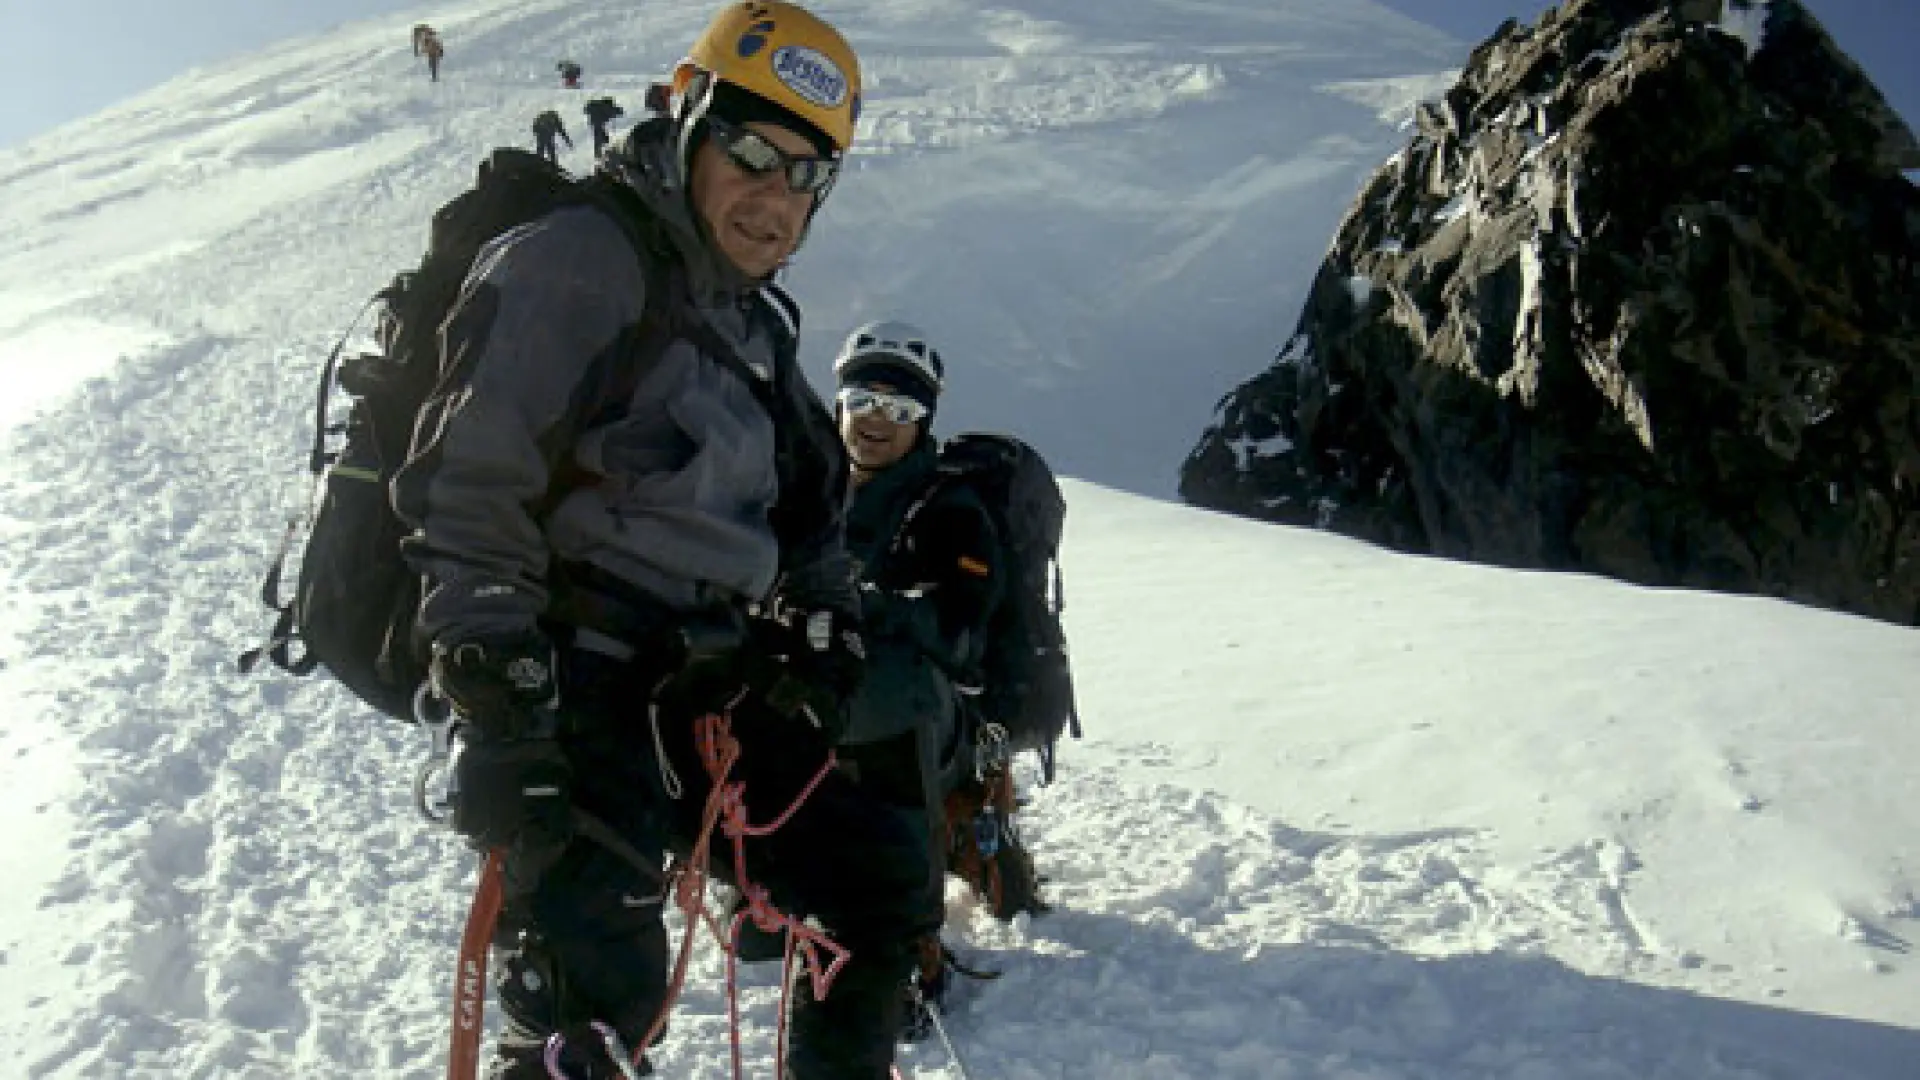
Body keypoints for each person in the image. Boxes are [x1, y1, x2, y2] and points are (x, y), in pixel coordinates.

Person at [391, 3, 934, 1078]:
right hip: (575, 675)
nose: (776, 197)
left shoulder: (755, 328)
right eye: (751, 153)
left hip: (710, 687)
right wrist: (498, 696)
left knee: (884, 880)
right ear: (688, 121)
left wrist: (822, 619)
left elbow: (813, 508)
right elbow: (470, 477)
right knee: (593, 996)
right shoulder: (582, 257)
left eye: (806, 178)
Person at [827, 322, 1008, 1025]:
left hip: (929, 718)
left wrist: (865, 609)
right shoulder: (801, 485)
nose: (878, 420)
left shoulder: (950, 511)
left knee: (887, 694)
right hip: (820, 696)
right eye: (865, 397)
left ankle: (905, 944)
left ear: (924, 421)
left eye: (901, 409)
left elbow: (963, 635)